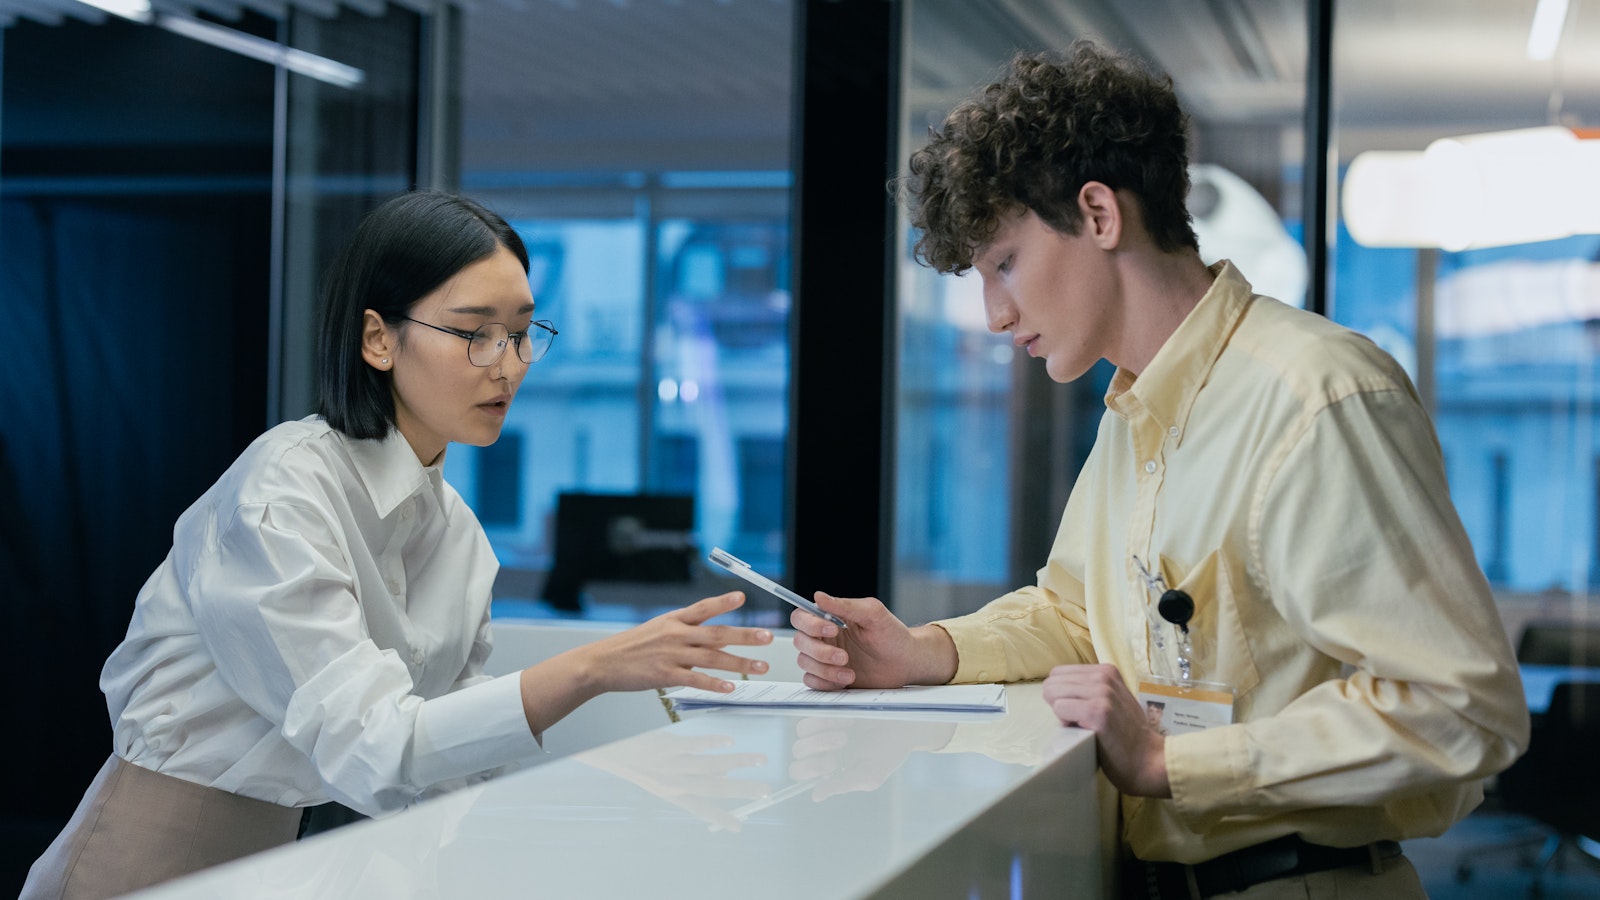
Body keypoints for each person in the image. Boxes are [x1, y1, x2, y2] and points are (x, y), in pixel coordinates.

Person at [788, 42, 1529, 900]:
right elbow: (1077, 614)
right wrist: (926, 652)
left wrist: (1174, 762)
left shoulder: (1315, 397)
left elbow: (1462, 705)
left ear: (1099, 214)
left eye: (1004, 264)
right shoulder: (1136, 413)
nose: (994, 315)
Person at [22, 190, 774, 900]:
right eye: (475, 332)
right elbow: (376, 749)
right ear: (379, 338)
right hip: (161, 853)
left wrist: (627, 788)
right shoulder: (283, 491)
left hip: (313, 861)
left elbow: (446, 776)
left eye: (520, 333)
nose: (507, 364)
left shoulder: (459, 535)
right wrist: (592, 668)